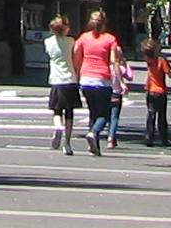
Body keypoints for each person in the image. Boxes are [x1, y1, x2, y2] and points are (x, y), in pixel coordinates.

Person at [71, 9, 124, 157]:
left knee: (93, 112)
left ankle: (94, 145)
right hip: (102, 80)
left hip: (86, 78)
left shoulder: (83, 38)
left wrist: (78, 69)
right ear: (104, 23)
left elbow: (76, 53)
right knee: (104, 115)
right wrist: (120, 81)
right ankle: (94, 133)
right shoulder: (110, 39)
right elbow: (114, 61)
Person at [44, 16, 79, 152]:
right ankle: (67, 144)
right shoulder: (71, 41)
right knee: (69, 112)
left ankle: (58, 126)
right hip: (70, 80)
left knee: (57, 110)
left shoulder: (48, 42)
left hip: (56, 80)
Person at [142, 37, 171, 146]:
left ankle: (149, 137)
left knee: (151, 114)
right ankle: (164, 138)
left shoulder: (148, 61)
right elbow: (169, 74)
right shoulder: (161, 61)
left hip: (150, 90)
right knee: (162, 116)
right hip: (161, 91)